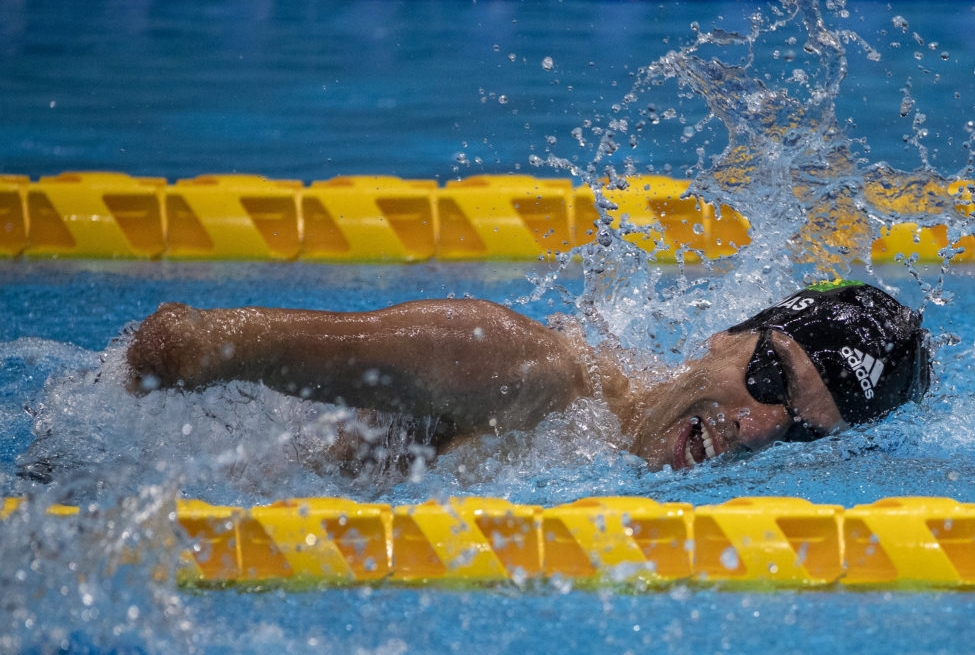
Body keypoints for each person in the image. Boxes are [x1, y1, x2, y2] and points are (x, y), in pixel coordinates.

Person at [125, 279, 930, 470]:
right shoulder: (524, 369)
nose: (758, 423)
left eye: (800, 428)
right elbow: (183, 345)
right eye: (770, 375)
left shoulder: (605, 454)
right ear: (728, 336)